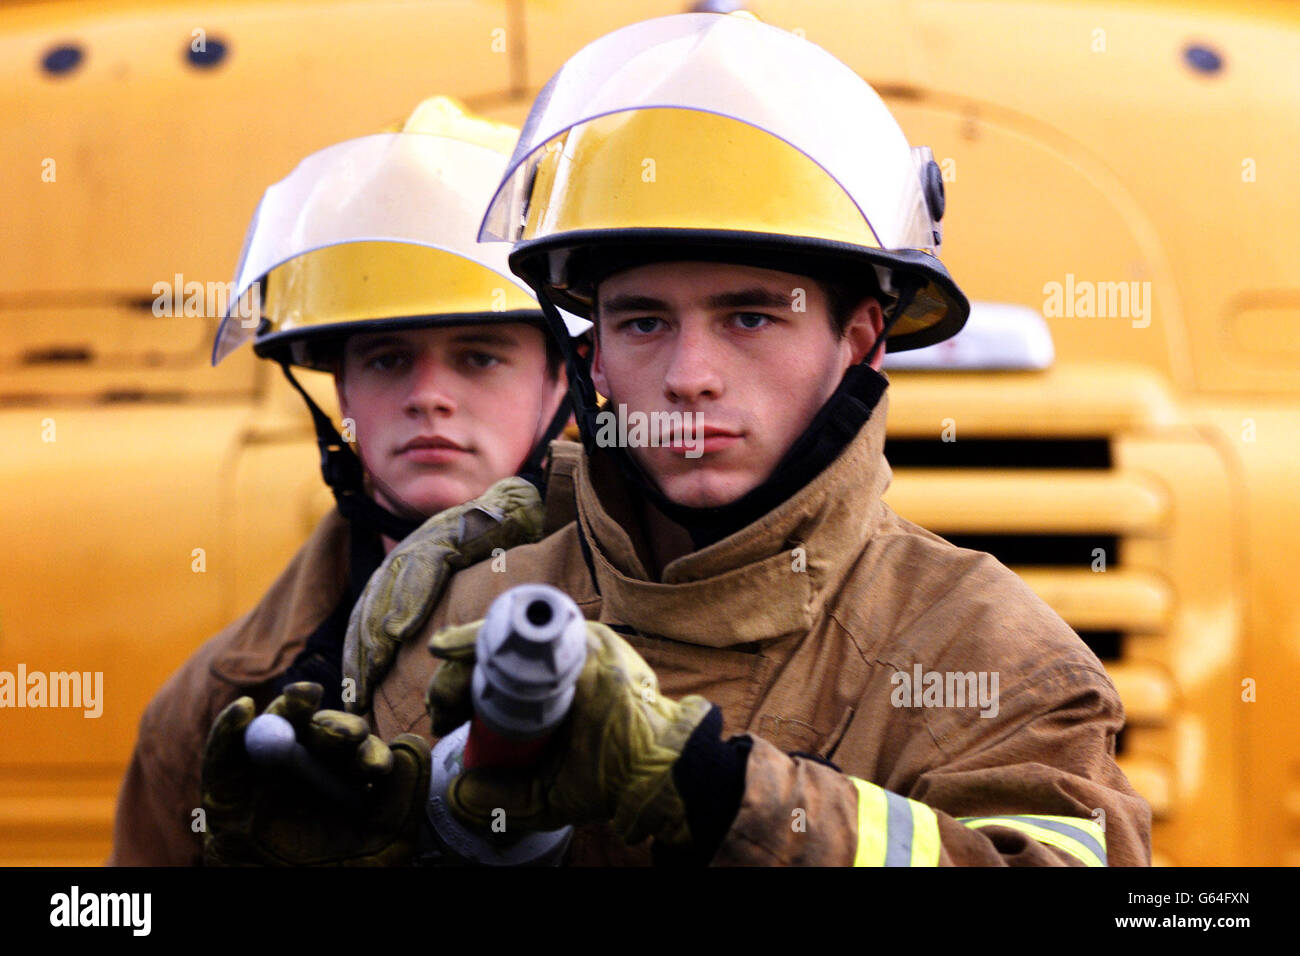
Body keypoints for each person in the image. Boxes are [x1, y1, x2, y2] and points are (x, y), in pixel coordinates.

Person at [207, 13, 1151, 867]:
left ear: (858, 340)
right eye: (646, 322)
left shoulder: (989, 656)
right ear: (597, 359)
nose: (690, 374)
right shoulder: (467, 611)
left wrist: (707, 786)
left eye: (749, 318)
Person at [107, 96, 584, 865]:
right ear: (342, 392)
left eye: (480, 356)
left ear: (563, 381)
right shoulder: (213, 701)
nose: (429, 394)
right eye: (388, 358)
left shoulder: (659, 638)